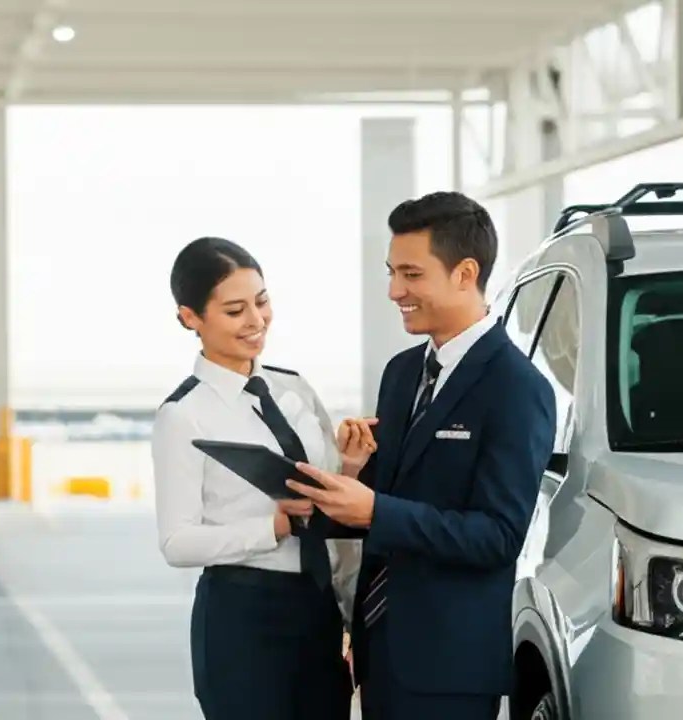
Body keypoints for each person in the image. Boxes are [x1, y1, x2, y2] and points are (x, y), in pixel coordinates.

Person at [286, 191, 556, 719]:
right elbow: (389, 500)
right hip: (379, 651)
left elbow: (498, 536)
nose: (394, 291)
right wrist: (351, 476)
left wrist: (374, 510)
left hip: (449, 667)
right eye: (391, 273)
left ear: (464, 273)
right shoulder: (403, 372)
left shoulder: (516, 387)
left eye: (410, 274)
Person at [150, 236, 365, 720]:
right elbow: (176, 543)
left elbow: (333, 504)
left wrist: (349, 469)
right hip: (242, 618)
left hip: (319, 608)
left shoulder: (294, 387)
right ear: (191, 318)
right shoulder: (184, 416)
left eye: (262, 301)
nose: (256, 321)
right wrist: (274, 528)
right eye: (234, 311)